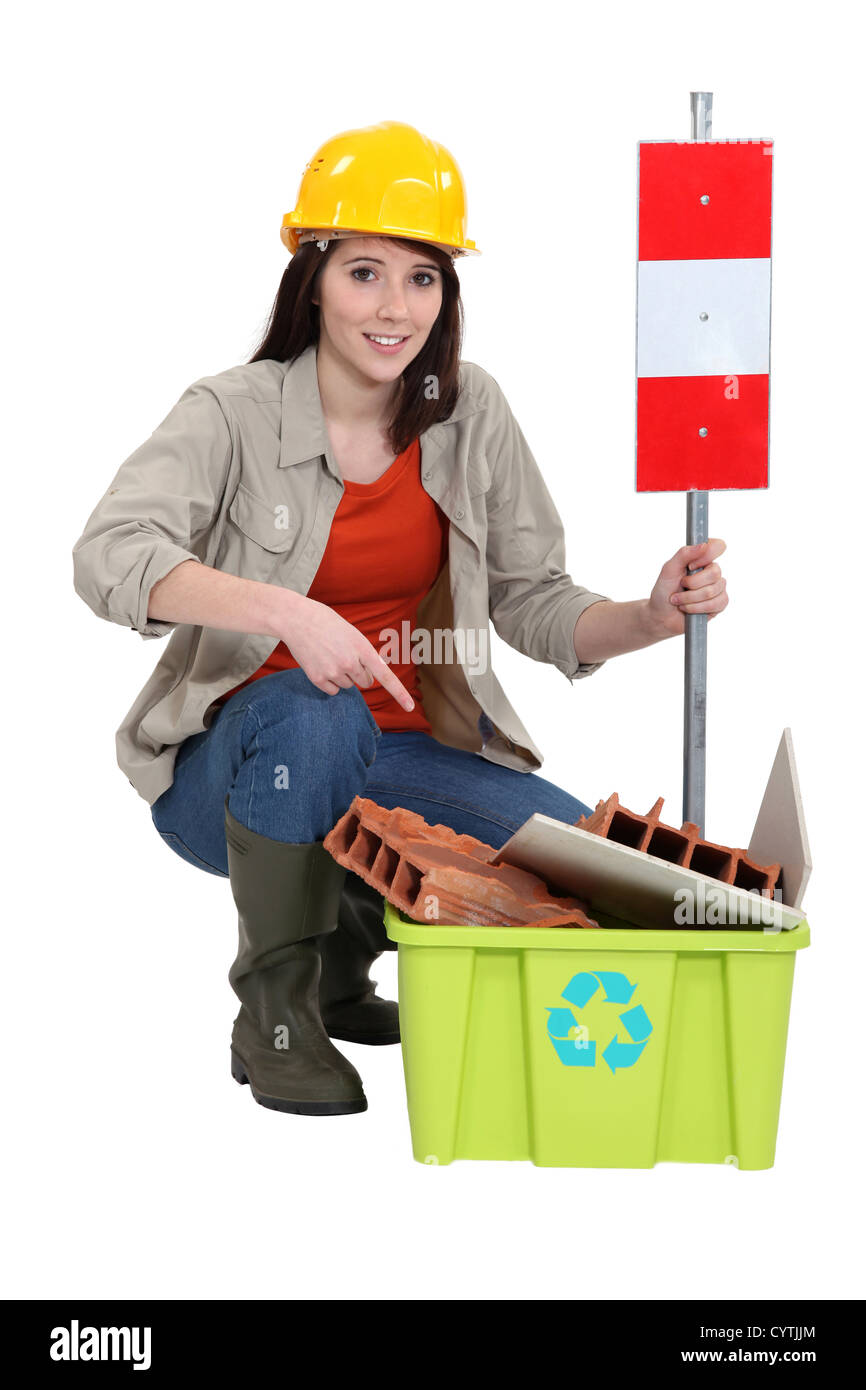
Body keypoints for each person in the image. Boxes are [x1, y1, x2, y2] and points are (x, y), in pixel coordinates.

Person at [71, 120, 728, 1120]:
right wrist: (288, 613)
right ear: (313, 279)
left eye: (422, 278)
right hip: (236, 776)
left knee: (584, 872)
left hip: (401, 756)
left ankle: (342, 960)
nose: (394, 308)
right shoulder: (230, 411)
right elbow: (107, 555)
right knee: (317, 713)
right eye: (365, 273)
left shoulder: (468, 412)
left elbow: (533, 598)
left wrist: (647, 613)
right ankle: (277, 1018)